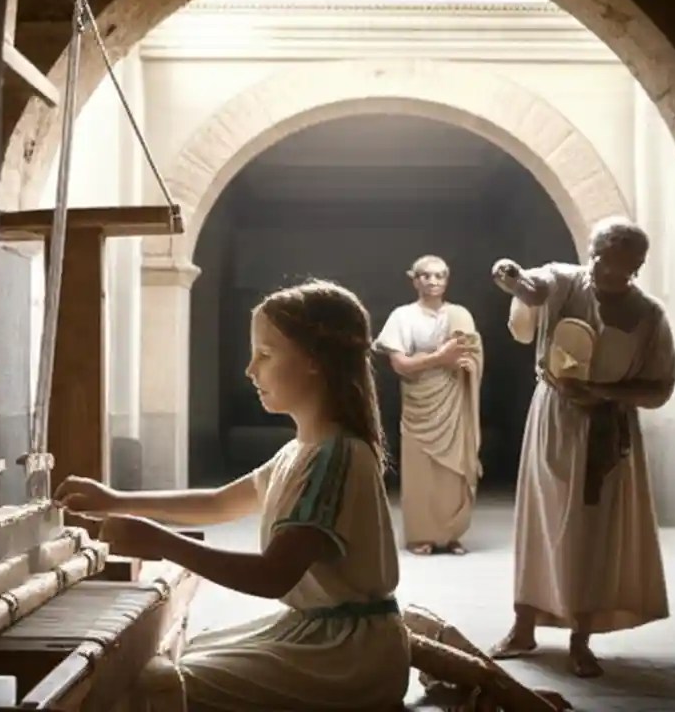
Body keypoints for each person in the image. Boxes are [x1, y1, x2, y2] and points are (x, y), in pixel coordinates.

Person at [54, 279, 410, 711]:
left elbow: (272, 575)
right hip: (318, 634)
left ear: (314, 360)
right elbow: (220, 503)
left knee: (164, 687)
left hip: (347, 656)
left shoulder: (335, 458)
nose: (250, 370)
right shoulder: (301, 452)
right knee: (195, 650)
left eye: (265, 354)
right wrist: (115, 500)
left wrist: (162, 543)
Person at [488, 217, 675, 678]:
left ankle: (581, 636)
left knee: (593, 529)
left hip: (607, 426)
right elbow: (533, 288)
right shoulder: (566, 280)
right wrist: (511, 276)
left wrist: (607, 395)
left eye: (618, 266)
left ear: (636, 265)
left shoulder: (648, 314)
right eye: (598, 259)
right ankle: (524, 624)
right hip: (553, 414)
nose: (604, 271)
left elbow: (659, 387)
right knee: (540, 518)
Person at [375, 255, 483, 556]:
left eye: (439, 276)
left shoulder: (459, 315)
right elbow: (400, 365)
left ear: (447, 280)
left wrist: (465, 363)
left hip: (453, 396)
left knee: (454, 469)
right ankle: (421, 535)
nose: (433, 282)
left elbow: (471, 352)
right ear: (415, 280)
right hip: (420, 400)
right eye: (426, 276)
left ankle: (450, 534)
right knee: (420, 470)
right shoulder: (402, 316)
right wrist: (440, 358)